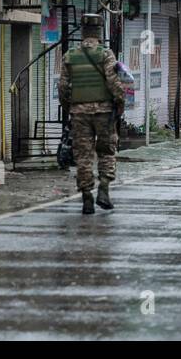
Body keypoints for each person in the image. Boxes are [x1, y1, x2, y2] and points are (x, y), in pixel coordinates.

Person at [58, 15, 126, 214]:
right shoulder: (105, 54)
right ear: (99, 32)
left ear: (82, 32)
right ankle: (103, 188)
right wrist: (120, 103)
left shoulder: (70, 55)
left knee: (83, 155)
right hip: (104, 113)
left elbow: (62, 87)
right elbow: (114, 83)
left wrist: (68, 106)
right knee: (106, 151)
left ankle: (87, 197)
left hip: (79, 113)